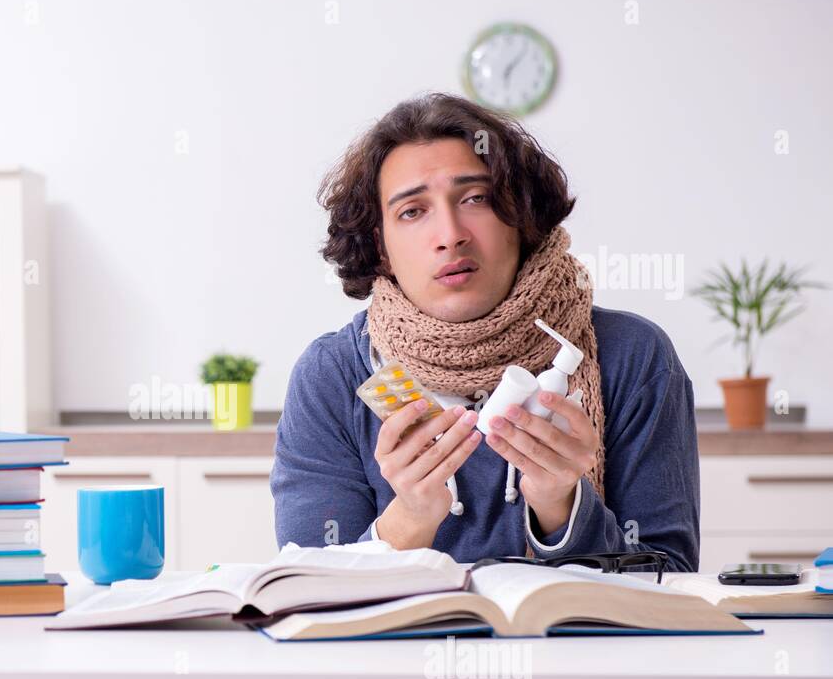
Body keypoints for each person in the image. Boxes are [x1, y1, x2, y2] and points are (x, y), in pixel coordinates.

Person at [270, 93, 700, 571]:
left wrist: (562, 506)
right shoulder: (333, 375)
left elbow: (671, 580)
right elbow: (308, 592)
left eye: (475, 198)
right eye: (412, 211)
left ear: (521, 216)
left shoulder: (634, 356)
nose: (450, 234)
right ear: (381, 245)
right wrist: (410, 518)